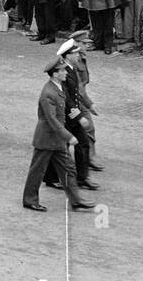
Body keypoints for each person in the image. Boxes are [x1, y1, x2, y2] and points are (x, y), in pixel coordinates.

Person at [22, 59, 94, 212]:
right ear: (55, 74)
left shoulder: (58, 88)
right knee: (37, 171)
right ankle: (30, 200)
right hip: (47, 139)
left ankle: (76, 200)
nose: (66, 72)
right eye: (63, 70)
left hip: (57, 139)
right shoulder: (48, 93)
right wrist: (69, 137)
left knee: (68, 169)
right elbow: (52, 120)